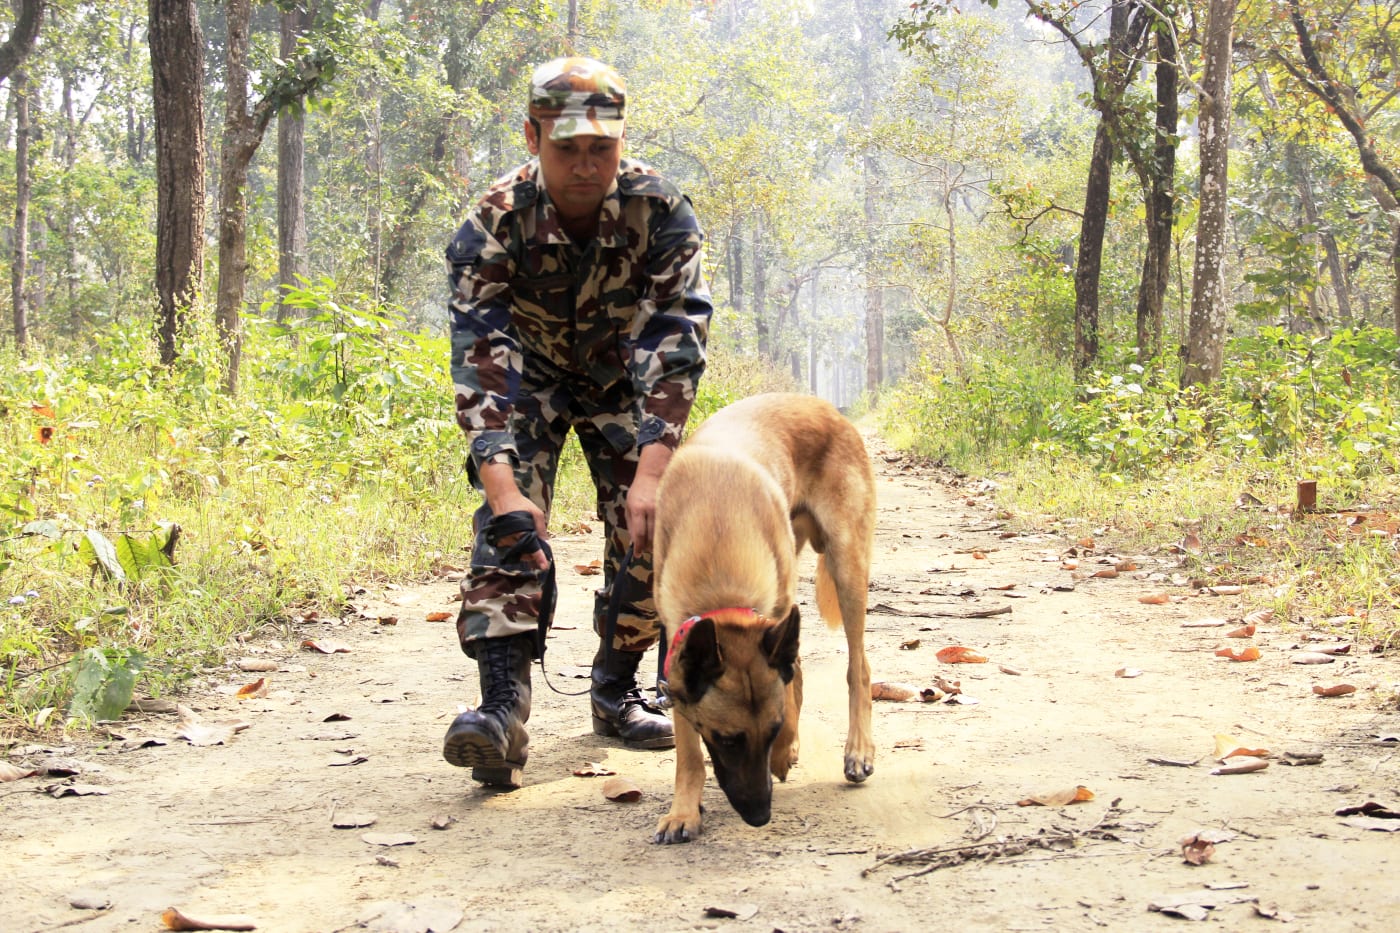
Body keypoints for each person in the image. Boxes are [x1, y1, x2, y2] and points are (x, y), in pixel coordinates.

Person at [441, 56, 713, 788]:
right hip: (524, 380)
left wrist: (654, 476)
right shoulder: (492, 223)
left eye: (602, 148)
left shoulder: (662, 212)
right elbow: (481, 358)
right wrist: (505, 492)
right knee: (509, 522)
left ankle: (618, 686)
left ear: (623, 143)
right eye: (567, 149)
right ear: (532, 137)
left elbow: (676, 341)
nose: (586, 166)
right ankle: (501, 711)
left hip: (624, 379)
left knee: (656, 519)